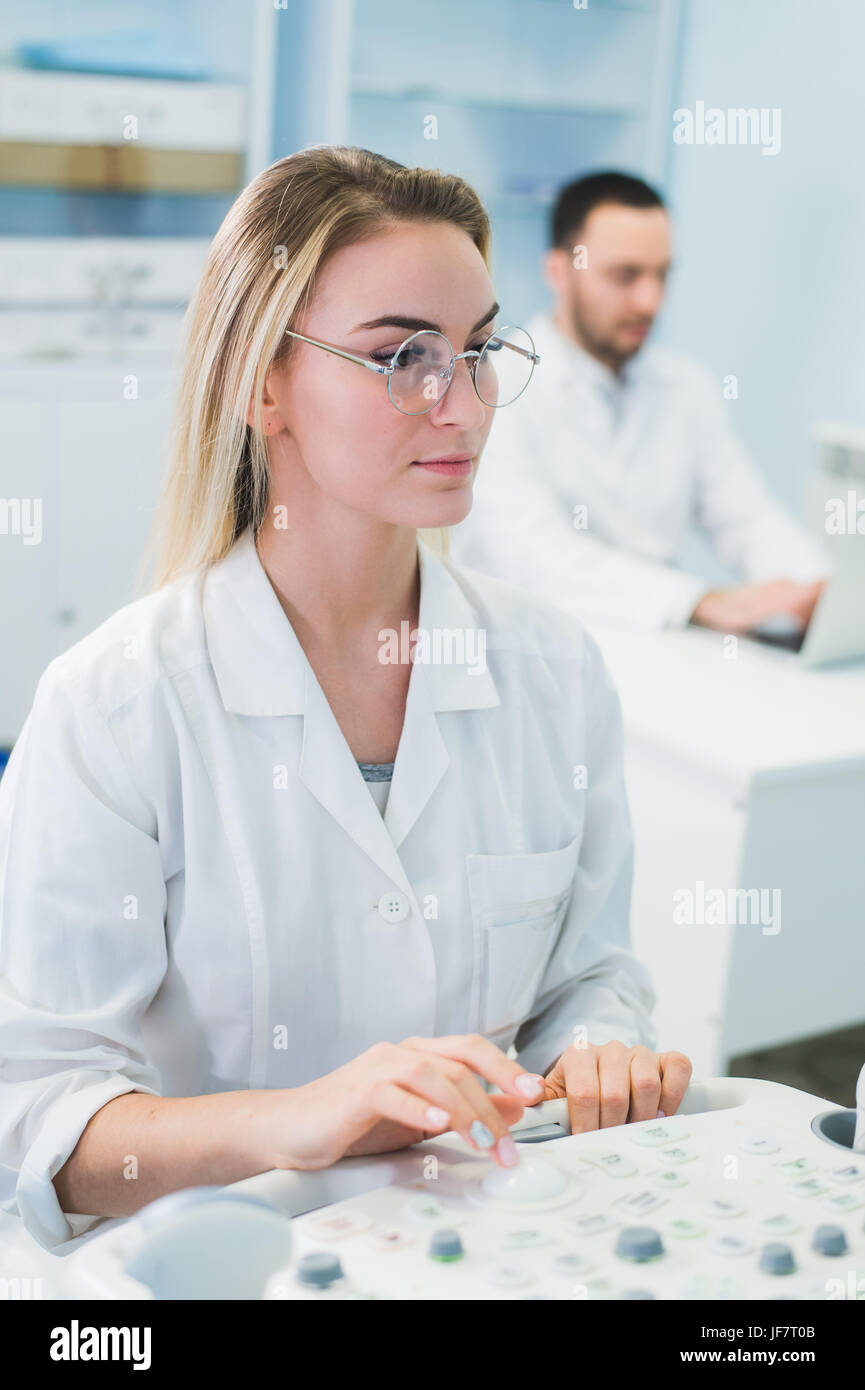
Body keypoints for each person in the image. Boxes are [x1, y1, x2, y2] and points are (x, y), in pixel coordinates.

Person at [0, 147, 690, 1253]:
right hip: (213, 1264)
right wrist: (294, 1122)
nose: (460, 402)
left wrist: (599, 1047)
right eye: (400, 355)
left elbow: (591, 976)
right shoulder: (112, 708)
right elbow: (42, 1127)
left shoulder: (554, 673)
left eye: (474, 351)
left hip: (485, 1242)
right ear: (260, 381)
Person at [450, 171, 828, 634]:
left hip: (659, 644)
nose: (650, 301)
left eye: (661, 275)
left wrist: (819, 592)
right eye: (625, 276)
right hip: (528, 642)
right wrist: (701, 601)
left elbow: (748, 520)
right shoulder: (496, 383)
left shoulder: (684, 387)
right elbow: (530, 555)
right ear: (558, 272)